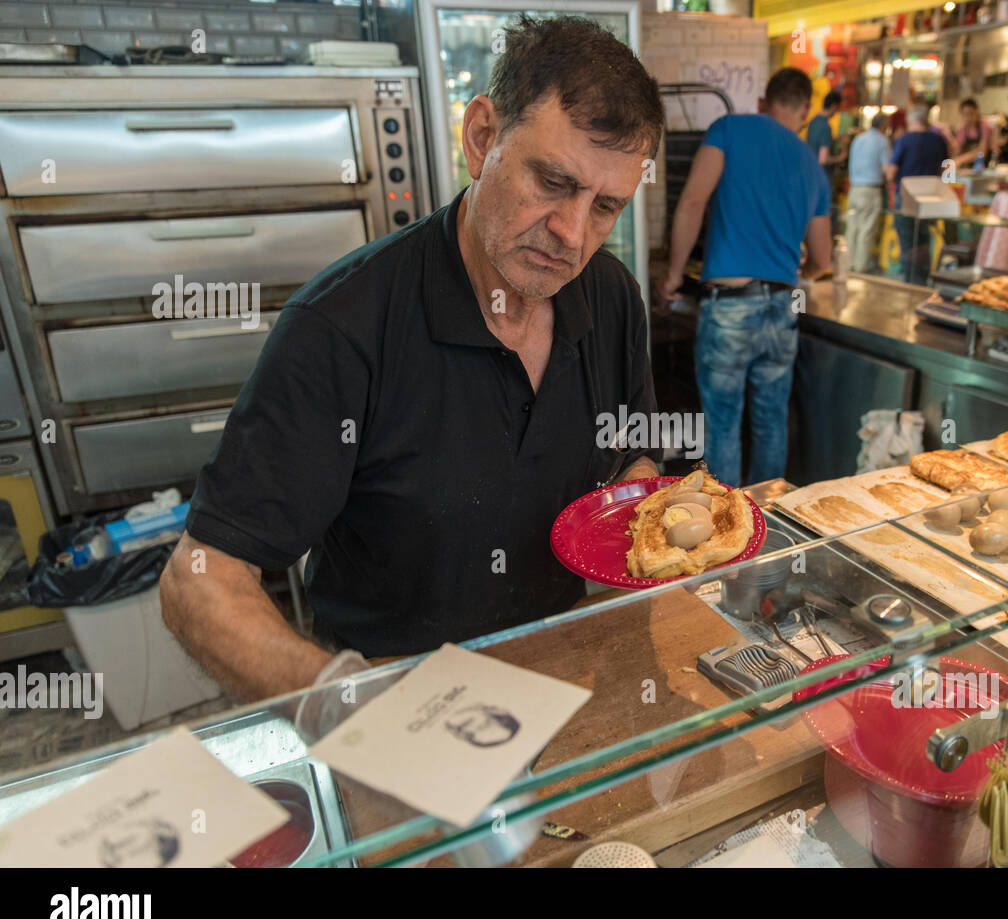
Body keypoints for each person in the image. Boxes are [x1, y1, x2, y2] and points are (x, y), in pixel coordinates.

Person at [158, 15, 665, 702]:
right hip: (391, 692)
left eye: (606, 206)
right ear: (482, 137)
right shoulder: (341, 327)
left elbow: (630, 459)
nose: (572, 235)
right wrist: (342, 696)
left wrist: (659, 530)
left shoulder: (610, 297)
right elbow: (201, 577)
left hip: (563, 674)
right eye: (552, 182)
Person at [658, 67, 831, 488]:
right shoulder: (811, 161)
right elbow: (822, 259)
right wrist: (799, 270)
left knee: (722, 427)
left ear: (763, 102)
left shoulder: (729, 128)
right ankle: (768, 532)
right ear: (804, 111)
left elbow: (693, 201)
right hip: (781, 308)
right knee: (771, 423)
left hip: (732, 306)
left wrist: (674, 275)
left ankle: (727, 541)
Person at [885, 103, 949, 285]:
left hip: (906, 199)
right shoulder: (939, 140)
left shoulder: (904, 141)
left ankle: (910, 282)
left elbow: (891, 173)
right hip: (931, 199)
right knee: (924, 242)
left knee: (907, 243)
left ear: (910, 121)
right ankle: (921, 282)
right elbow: (947, 169)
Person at [846, 113, 891, 273]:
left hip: (854, 189)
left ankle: (847, 264)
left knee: (852, 228)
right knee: (867, 229)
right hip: (871, 190)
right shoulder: (882, 141)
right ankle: (860, 268)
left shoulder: (858, 139)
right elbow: (887, 169)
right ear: (884, 125)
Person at [806, 89, 847, 232]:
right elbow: (823, 158)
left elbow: (815, 145)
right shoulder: (825, 127)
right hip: (823, 178)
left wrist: (834, 139)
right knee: (821, 219)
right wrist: (840, 157)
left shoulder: (813, 122)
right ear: (834, 106)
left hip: (811, 176)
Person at [951, 97, 994, 168]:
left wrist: (960, 159)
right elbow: (956, 152)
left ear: (976, 112)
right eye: (965, 114)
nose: (968, 118)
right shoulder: (961, 130)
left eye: (971, 114)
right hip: (966, 169)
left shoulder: (984, 126)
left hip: (983, 168)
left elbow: (982, 152)